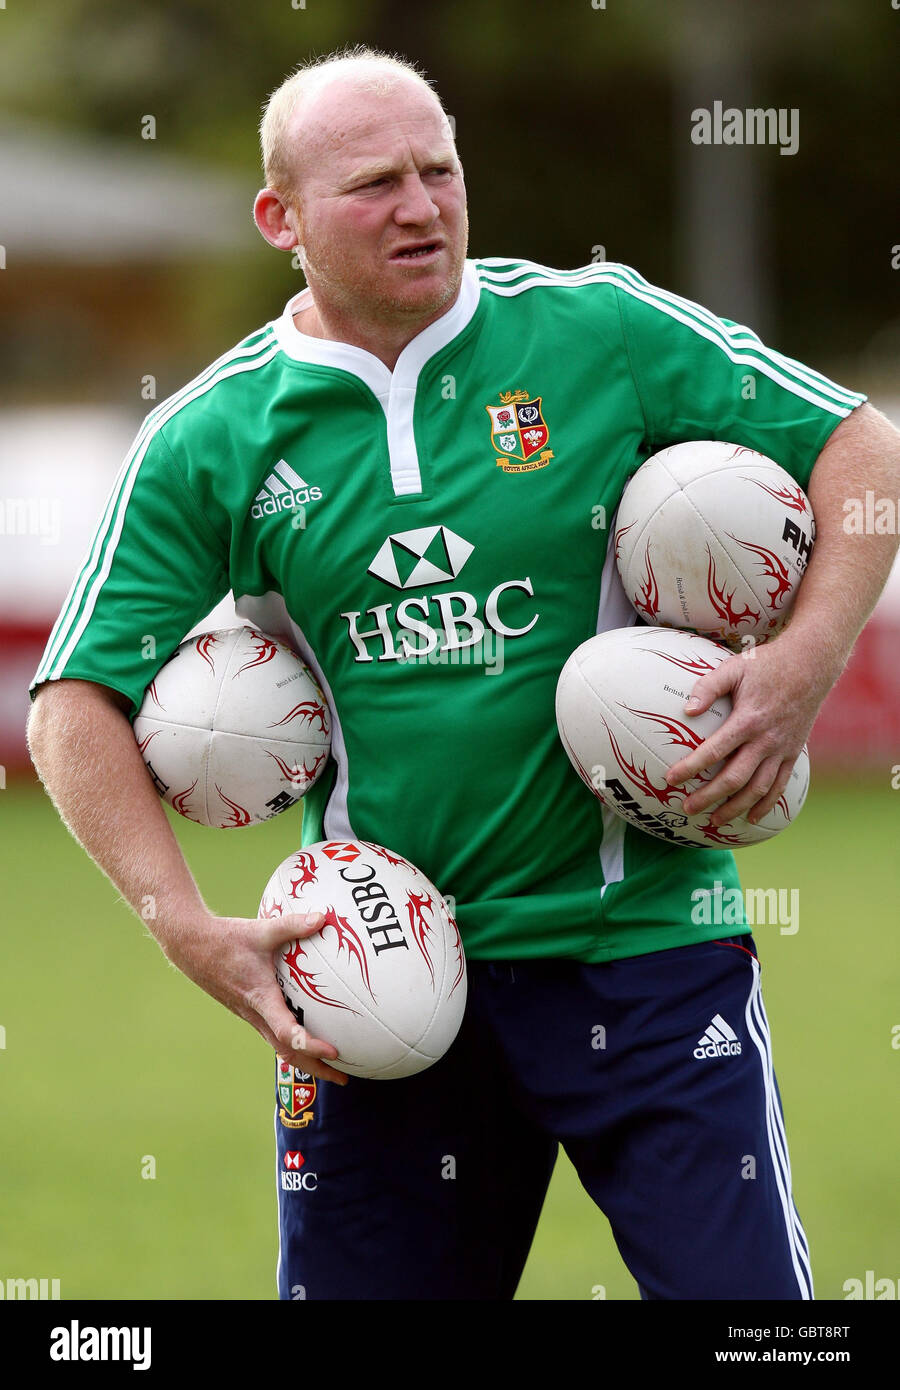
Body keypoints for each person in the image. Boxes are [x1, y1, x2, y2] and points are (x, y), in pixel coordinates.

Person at [27, 46, 900, 1301]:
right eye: (376, 183)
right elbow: (74, 703)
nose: (423, 206)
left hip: (644, 954)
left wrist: (803, 667)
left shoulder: (598, 326)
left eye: (439, 172)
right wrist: (188, 931)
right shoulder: (212, 436)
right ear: (281, 218)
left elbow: (860, 447)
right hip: (382, 983)